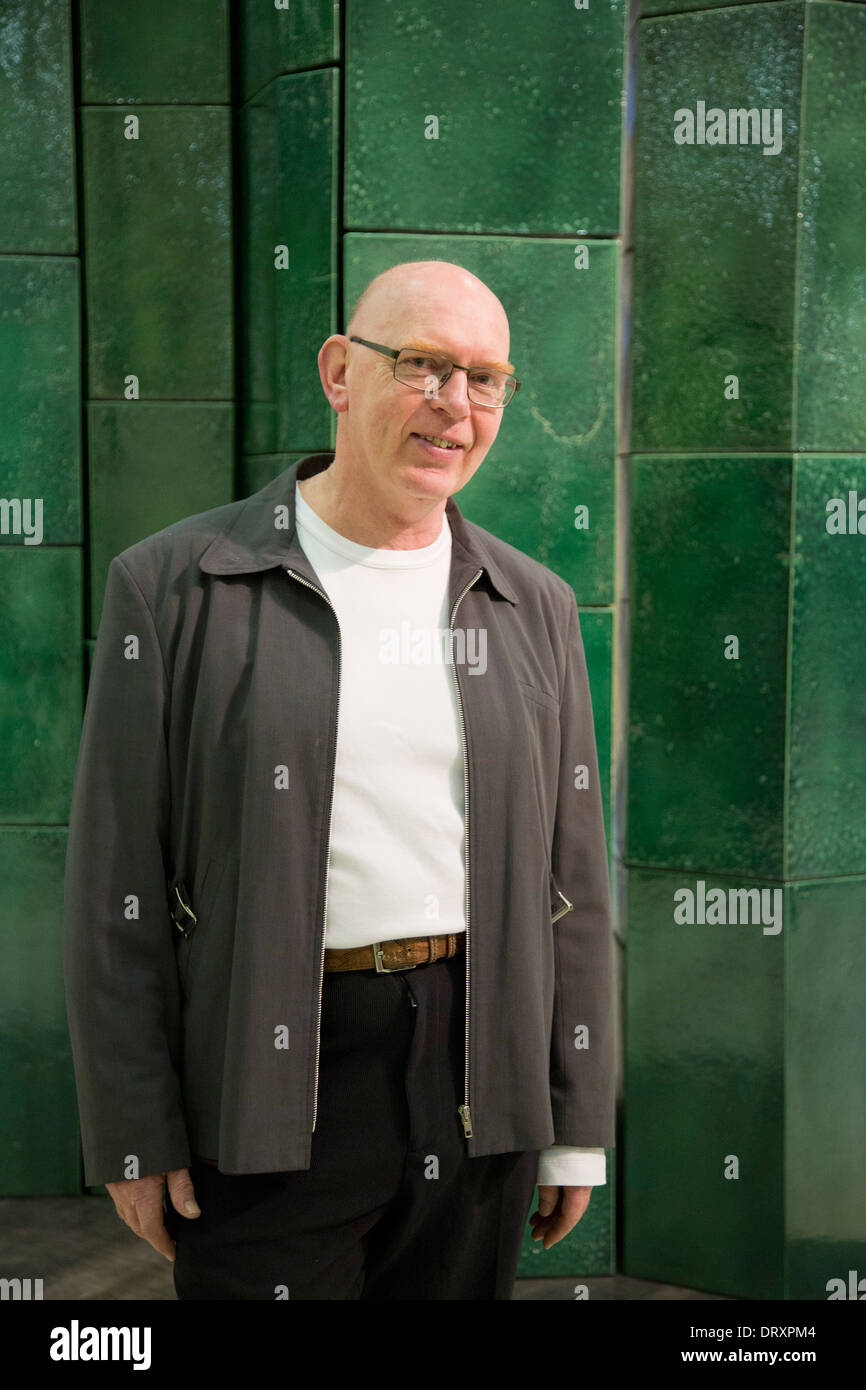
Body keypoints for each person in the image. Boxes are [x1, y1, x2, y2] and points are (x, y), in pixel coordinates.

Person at [63, 260, 616, 1299]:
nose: (455, 405)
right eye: (422, 365)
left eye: (485, 378)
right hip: (267, 1082)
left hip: (474, 1077)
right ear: (338, 371)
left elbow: (572, 886)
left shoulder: (530, 603)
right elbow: (113, 892)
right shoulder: (177, 585)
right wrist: (134, 1130)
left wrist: (574, 1122)